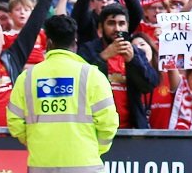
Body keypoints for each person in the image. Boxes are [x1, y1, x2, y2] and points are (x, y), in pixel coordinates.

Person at [8, 15, 119, 173]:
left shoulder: (27, 77)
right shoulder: (92, 75)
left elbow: (15, 122)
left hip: (41, 166)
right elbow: (109, 124)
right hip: (86, 167)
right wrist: (96, 148)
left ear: (48, 43)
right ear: (75, 40)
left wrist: (35, 142)